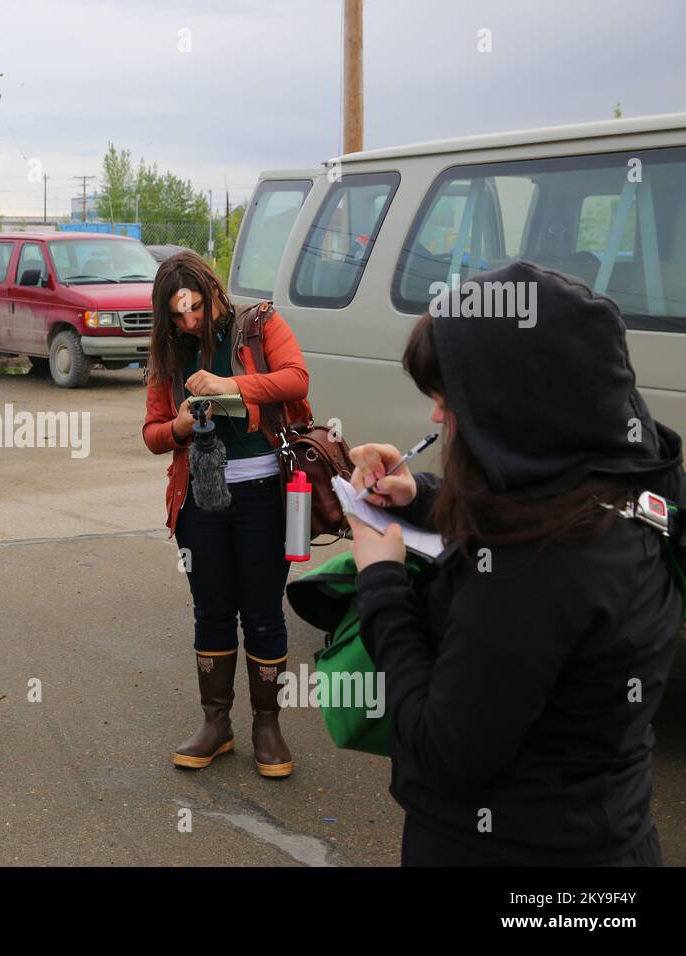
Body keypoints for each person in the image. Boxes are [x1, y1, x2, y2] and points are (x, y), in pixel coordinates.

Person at [347, 261, 684, 866]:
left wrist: (382, 583)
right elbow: (530, 502)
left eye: (448, 397)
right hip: (608, 835)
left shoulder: (534, 572)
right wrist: (420, 496)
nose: (435, 416)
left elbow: (444, 753)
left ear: (514, 403)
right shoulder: (632, 486)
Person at [142, 250, 311, 775]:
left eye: (193, 307)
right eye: (176, 313)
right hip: (199, 501)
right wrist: (180, 429)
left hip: (264, 494)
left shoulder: (258, 324)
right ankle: (216, 724)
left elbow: (296, 379)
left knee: (262, 612)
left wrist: (229, 386)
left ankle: (268, 725)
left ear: (212, 291)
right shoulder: (168, 353)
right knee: (210, 611)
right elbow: (152, 434)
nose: (188, 321)